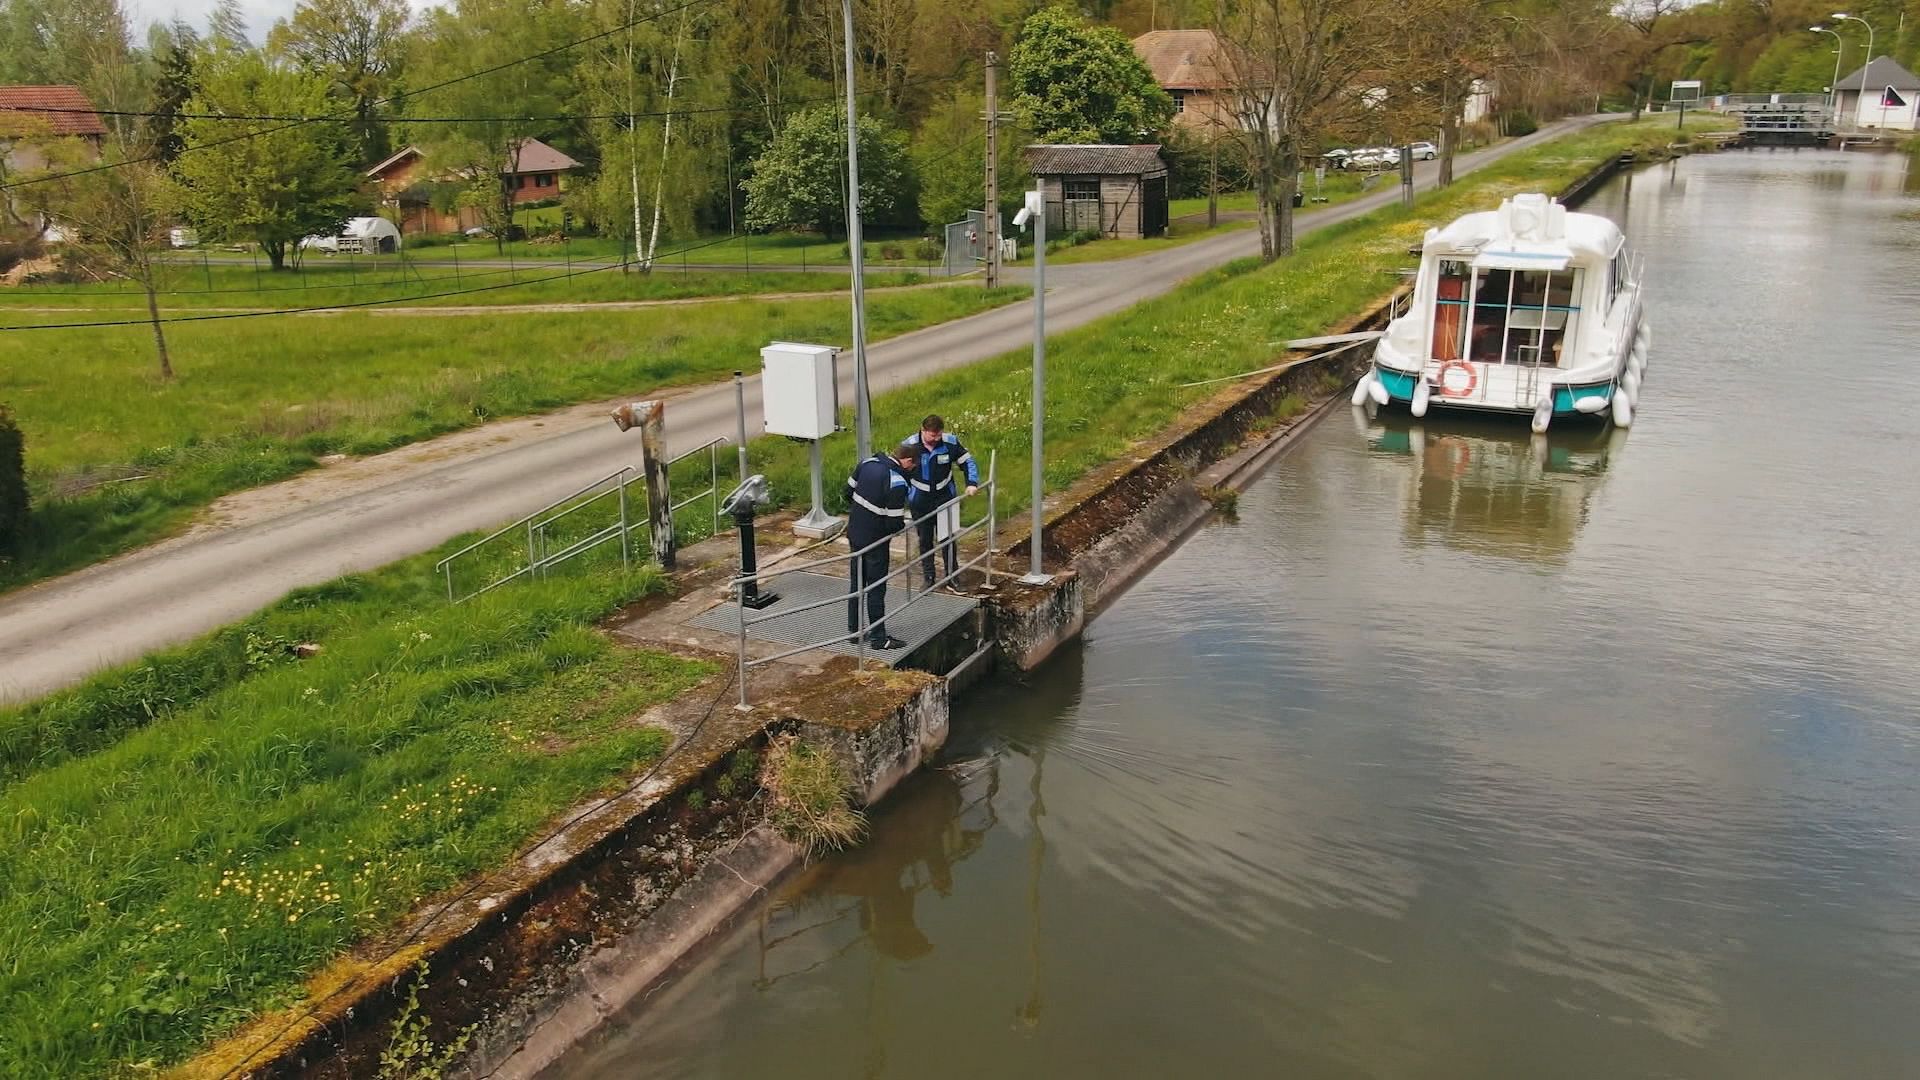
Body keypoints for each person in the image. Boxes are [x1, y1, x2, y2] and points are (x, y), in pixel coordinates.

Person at [846, 442, 919, 650]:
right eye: (913, 466)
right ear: (907, 461)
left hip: (855, 533)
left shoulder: (867, 463)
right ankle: (879, 638)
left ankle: (854, 631)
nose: (913, 470)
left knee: (856, 585)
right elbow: (894, 523)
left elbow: (848, 491)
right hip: (876, 542)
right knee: (876, 590)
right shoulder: (897, 482)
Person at [898, 415, 979, 588]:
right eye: (932, 435)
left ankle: (952, 577)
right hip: (920, 500)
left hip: (945, 497)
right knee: (925, 540)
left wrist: (972, 483)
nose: (936, 439)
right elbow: (899, 470)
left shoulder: (950, 443)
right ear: (923, 430)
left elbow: (967, 461)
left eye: (938, 435)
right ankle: (929, 577)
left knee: (948, 539)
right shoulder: (910, 445)